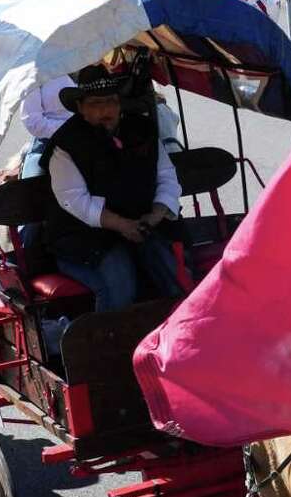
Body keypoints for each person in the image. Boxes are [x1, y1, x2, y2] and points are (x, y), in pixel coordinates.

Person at [39, 51, 184, 314]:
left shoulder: (140, 131)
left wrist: (155, 215)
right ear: (81, 108)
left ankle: (182, 331)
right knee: (119, 281)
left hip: (142, 223)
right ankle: (110, 346)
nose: (105, 110)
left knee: (173, 269)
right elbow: (75, 201)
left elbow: (166, 176)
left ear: (119, 104)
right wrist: (123, 225)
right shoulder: (67, 144)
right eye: (95, 103)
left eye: (110, 102)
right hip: (84, 238)